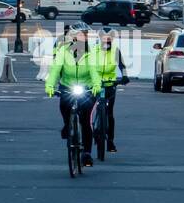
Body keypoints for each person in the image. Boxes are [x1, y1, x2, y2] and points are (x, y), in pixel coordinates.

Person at [45, 23, 102, 168]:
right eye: (82, 34)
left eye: (86, 34)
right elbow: (55, 69)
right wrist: (50, 85)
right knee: (64, 106)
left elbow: (94, 71)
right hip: (67, 85)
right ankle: (66, 125)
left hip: (87, 88)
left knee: (85, 120)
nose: (85, 37)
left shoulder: (91, 52)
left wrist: (96, 85)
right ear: (74, 36)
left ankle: (87, 153)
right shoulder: (63, 50)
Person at [89, 26, 129, 152]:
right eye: (104, 38)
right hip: (95, 84)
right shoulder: (93, 50)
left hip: (110, 84)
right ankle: (89, 134)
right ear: (100, 39)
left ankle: (110, 141)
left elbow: (122, 66)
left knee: (109, 113)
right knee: (88, 111)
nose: (106, 41)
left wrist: (125, 77)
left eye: (109, 39)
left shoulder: (116, 51)